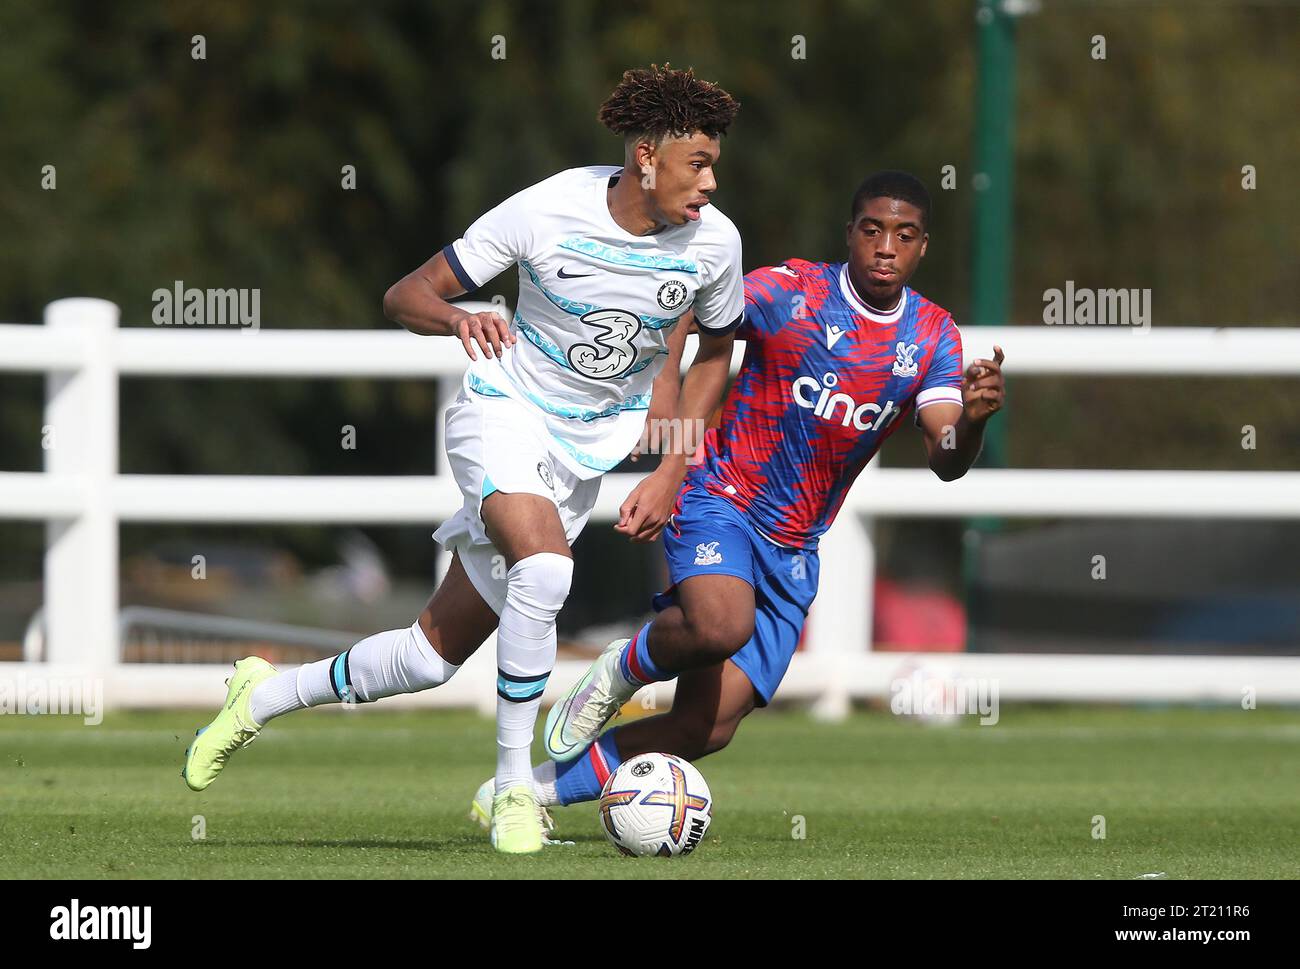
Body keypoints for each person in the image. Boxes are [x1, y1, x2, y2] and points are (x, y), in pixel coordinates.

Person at [181, 65, 745, 855]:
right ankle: (516, 788)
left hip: (582, 455)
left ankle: (260, 694)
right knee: (546, 571)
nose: (711, 183)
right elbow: (404, 293)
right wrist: (455, 320)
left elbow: (719, 352)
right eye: (698, 164)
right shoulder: (545, 210)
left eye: (716, 164)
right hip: (502, 412)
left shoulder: (715, 242)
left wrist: (670, 467)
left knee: (427, 656)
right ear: (645, 157)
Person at [481, 171, 1005, 821]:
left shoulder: (932, 337)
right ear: (850, 234)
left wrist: (974, 420)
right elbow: (690, 307)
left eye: (904, 235)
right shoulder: (792, 293)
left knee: (706, 726)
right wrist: (667, 403)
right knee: (720, 623)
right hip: (719, 496)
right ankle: (625, 665)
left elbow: (946, 458)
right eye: (872, 230)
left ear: (923, 246)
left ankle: (524, 791)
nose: (885, 247)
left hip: (794, 545)